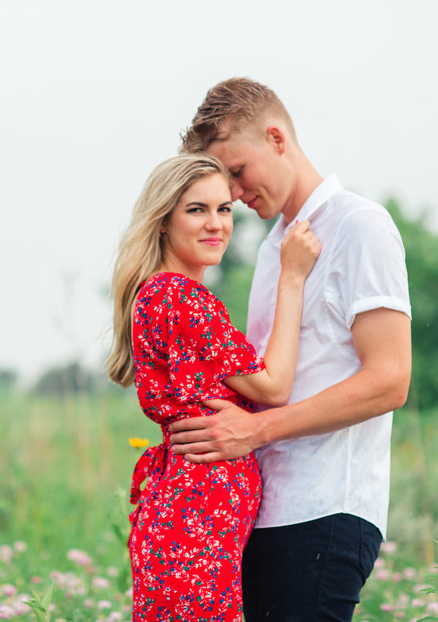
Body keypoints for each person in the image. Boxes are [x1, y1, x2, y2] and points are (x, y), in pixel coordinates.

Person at [170, 78, 413, 621]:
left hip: (325, 511)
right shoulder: (274, 249)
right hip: (262, 514)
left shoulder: (360, 225)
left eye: (236, 171)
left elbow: (391, 380)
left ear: (277, 138)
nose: (231, 192)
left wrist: (255, 431)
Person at [106, 153, 321, 621]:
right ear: (163, 221)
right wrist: (293, 275)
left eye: (224, 209)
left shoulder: (157, 293)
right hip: (195, 521)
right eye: (196, 209)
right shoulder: (184, 299)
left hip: (188, 513)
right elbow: (275, 387)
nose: (216, 225)